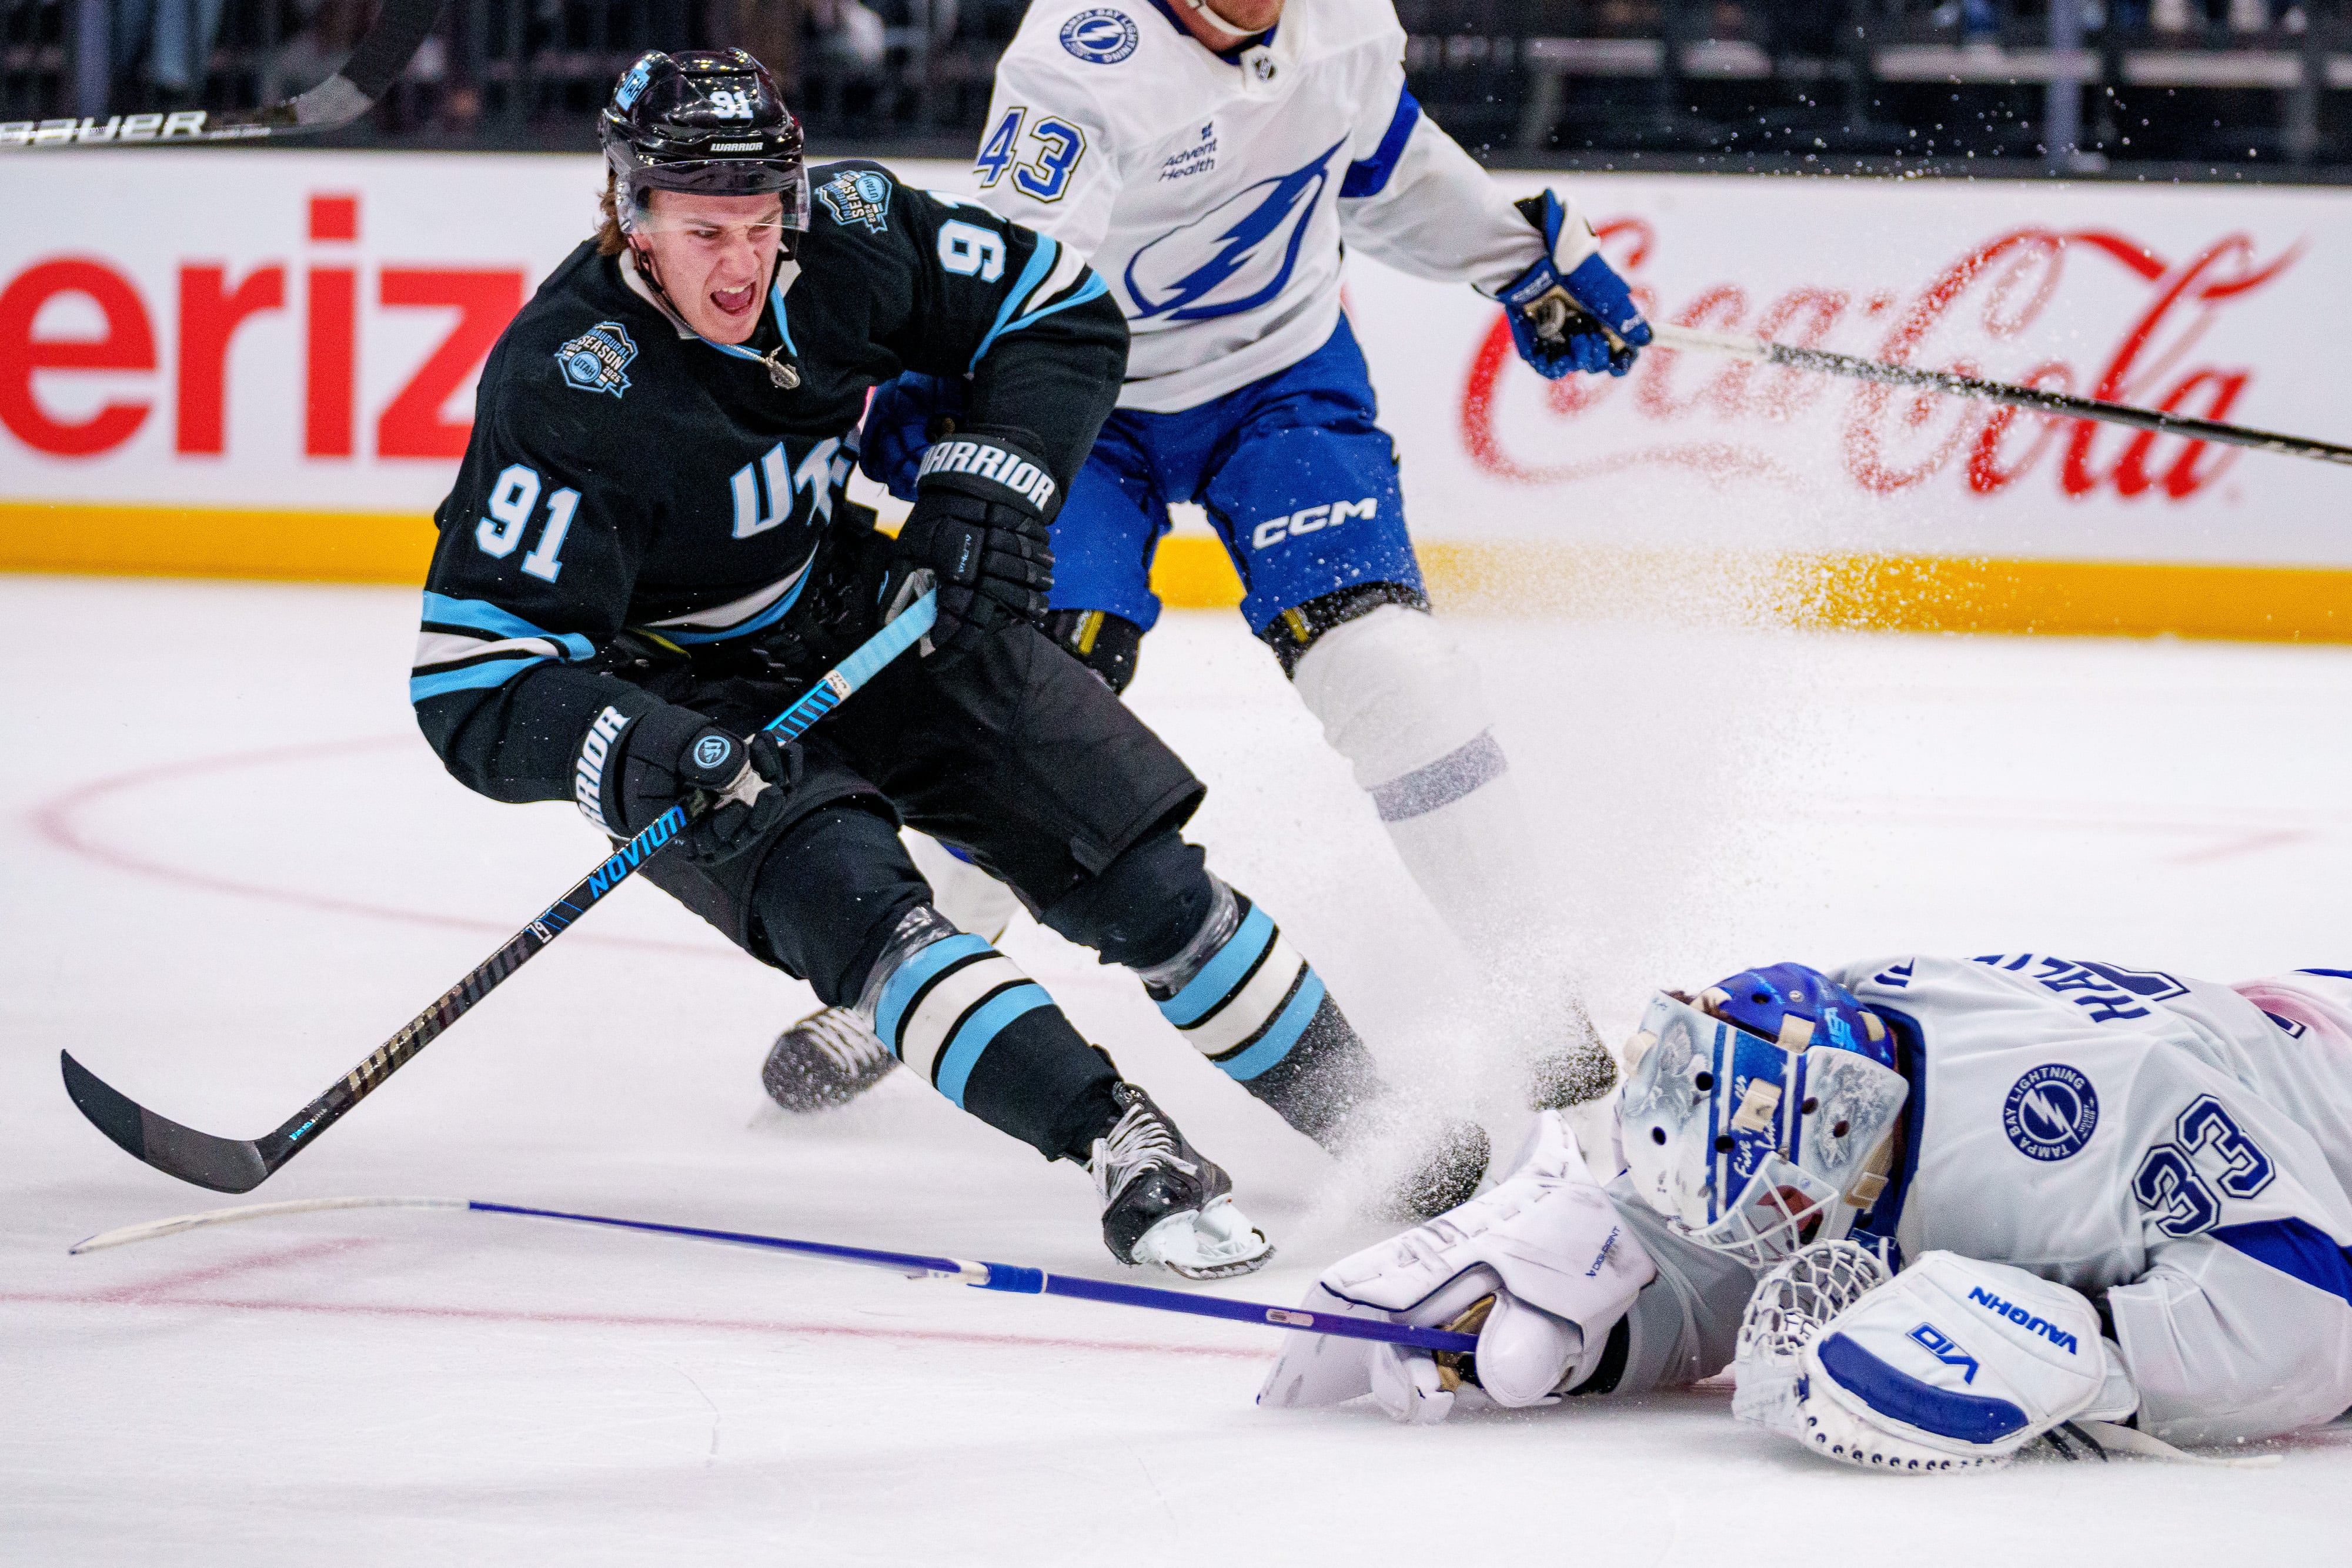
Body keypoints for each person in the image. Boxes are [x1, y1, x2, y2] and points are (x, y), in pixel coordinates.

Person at [408, 46, 1475, 1278]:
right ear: (628, 210)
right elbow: (468, 682)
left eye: (759, 222)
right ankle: (1118, 1143)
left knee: (1137, 876)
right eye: (702, 228)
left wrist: (995, 479)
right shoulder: (566, 379)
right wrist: (648, 752)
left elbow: (1060, 310)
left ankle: (1366, 1111)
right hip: (682, 700)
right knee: (875, 918)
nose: (742, 263)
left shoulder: (849, 231)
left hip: (859, 604)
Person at [761, 0, 1651, 1132]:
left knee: (1394, 669)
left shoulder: (1347, 21)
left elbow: (1377, 162)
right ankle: (927, 941)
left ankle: (1535, 989)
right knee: (1034, 687)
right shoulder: (1081, 60)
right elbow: (1008, 268)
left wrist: (1520, 258)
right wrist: (943, 383)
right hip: (1093, 401)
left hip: (1282, 378)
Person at [1261, 955, 2352, 1467]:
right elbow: (1770, 1224)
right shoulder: (1840, 1077)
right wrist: (1604, 1308)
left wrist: (2090, 1353)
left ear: (1844, 1124)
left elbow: (2310, 1315)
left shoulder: (2085, 1113)